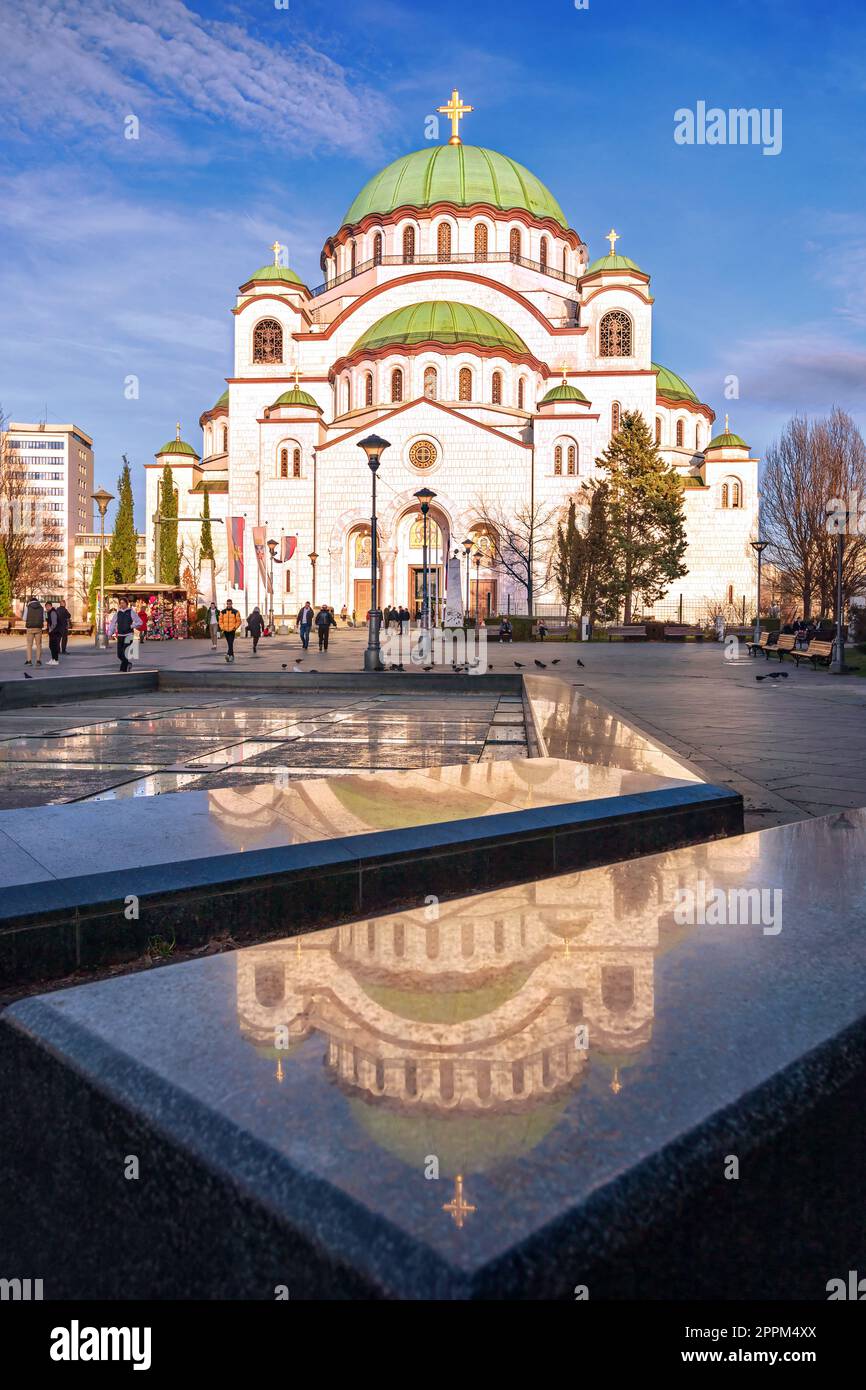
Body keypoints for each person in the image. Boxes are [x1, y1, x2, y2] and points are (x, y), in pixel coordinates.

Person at [108, 598, 142, 672]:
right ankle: (128, 664)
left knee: (124, 652)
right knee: (119, 654)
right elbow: (112, 623)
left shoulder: (131, 612)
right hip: (120, 635)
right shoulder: (118, 613)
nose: (122, 604)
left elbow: (139, 622)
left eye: (123, 603)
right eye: (120, 603)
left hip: (129, 635)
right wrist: (110, 633)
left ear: (127, 603)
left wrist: (131, 626)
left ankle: (123, 670)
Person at [23, 596, 44, 666]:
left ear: (30, 601)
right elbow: (43, 618)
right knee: (38, 645)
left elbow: (24, 618)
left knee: (29, 645)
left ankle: (29, 661)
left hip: (30, 628)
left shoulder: (28, 607)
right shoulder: (41, 608)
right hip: (38, 628)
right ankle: (38, 661)